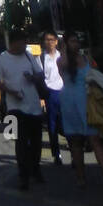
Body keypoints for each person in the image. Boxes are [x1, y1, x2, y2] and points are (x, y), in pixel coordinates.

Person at [57, 32, 103, 191]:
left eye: (77, 41)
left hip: (87, 102)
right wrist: (64, 49)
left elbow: (95, 73)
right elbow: (63, 64)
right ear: (65, 44)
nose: (76, 44)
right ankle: (80, 178)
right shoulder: (62, 60)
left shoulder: (85, 58)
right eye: (72, 41)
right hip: (70, 103)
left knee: (95, 139)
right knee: (76, 143)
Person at [0, 31, 44, 191]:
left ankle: (35, 168)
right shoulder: (2, 59)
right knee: (20, 142)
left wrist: (33, 78)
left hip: (34, 106)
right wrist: (11, 92)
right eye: (22, 42)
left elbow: (41, 75)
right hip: (14, 107)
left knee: (36, 142)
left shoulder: (29, 56)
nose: (24, 46)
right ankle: (23, 176)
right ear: (14, 43)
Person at [41, 32, 65, 165]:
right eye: (46, 40)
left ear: (56, 41)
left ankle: (74, 151)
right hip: (49, 93)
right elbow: (40, 78)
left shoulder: (62, 57)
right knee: (52, 125)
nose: (49, 42)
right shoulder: (41, 58)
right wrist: (42, 98)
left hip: (62, 92)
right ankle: (57, 154)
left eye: (51, 39)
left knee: (65, 123)